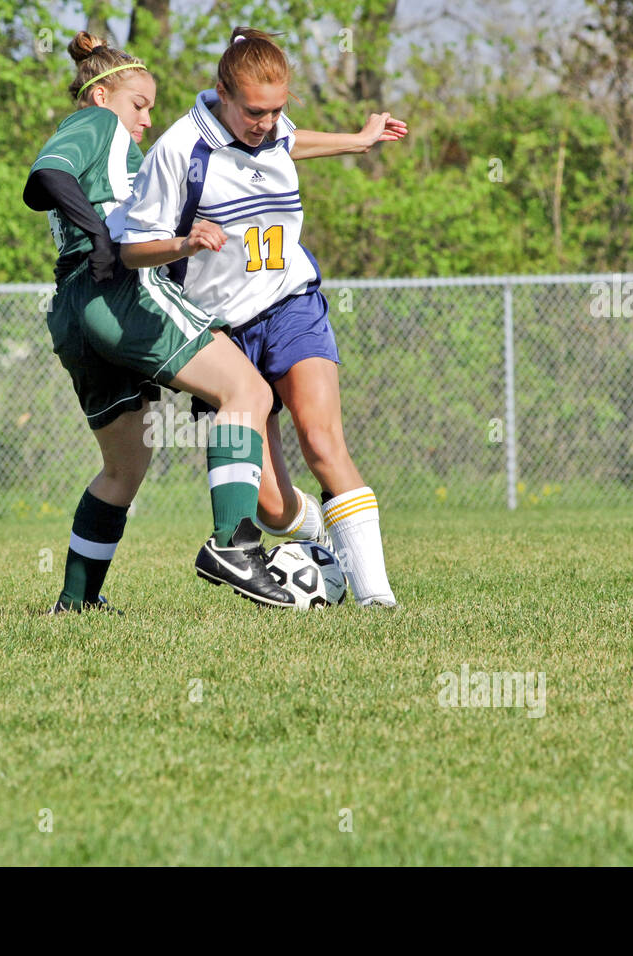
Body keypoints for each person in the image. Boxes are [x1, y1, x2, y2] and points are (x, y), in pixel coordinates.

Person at [111, 27, 404, 607]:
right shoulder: (179, 150)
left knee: (322, 441)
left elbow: (292, 142)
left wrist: (359, 141)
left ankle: (377, 600)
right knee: (272, 507)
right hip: (221, 332)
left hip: (292, 305)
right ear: (221, 91)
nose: (266, 123)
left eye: (276, 110)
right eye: (254, 111)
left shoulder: (271, 129)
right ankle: (321, 544)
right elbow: (130, 248)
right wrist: (184, 242)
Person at [24, 31, 296, 612]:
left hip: (73, 309)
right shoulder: (96, 125)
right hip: (117, 292)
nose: (145, 118)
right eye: (137, 104)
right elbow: (45, 178)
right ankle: (235, 545)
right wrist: (102, 236)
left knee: (123, 468)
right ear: (101, 97)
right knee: (246, 390)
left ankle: (76, 602)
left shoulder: (120, 145)